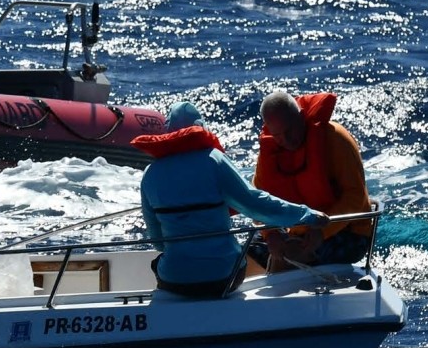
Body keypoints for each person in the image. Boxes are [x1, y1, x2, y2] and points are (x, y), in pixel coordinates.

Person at [135, 101, 328, 299]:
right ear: (201, 127)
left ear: (167, 131)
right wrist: (307, 215)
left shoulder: (150, 174)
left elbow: (158, 241)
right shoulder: (213, 160)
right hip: (224, 278)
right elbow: (256, 205)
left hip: (175, 281)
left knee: (160, 262)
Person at [249, 90, 374, 271]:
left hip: (346, 230)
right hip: (297, 232)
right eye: (278, 136)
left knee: (299, 259)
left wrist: (322, 231)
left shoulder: (335, 139)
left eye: (289, 131)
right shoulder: (271, 151)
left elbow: (355, 197)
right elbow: (258, 200)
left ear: (300, 116)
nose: (286, 140)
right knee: (250, 251)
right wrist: (271, 234)